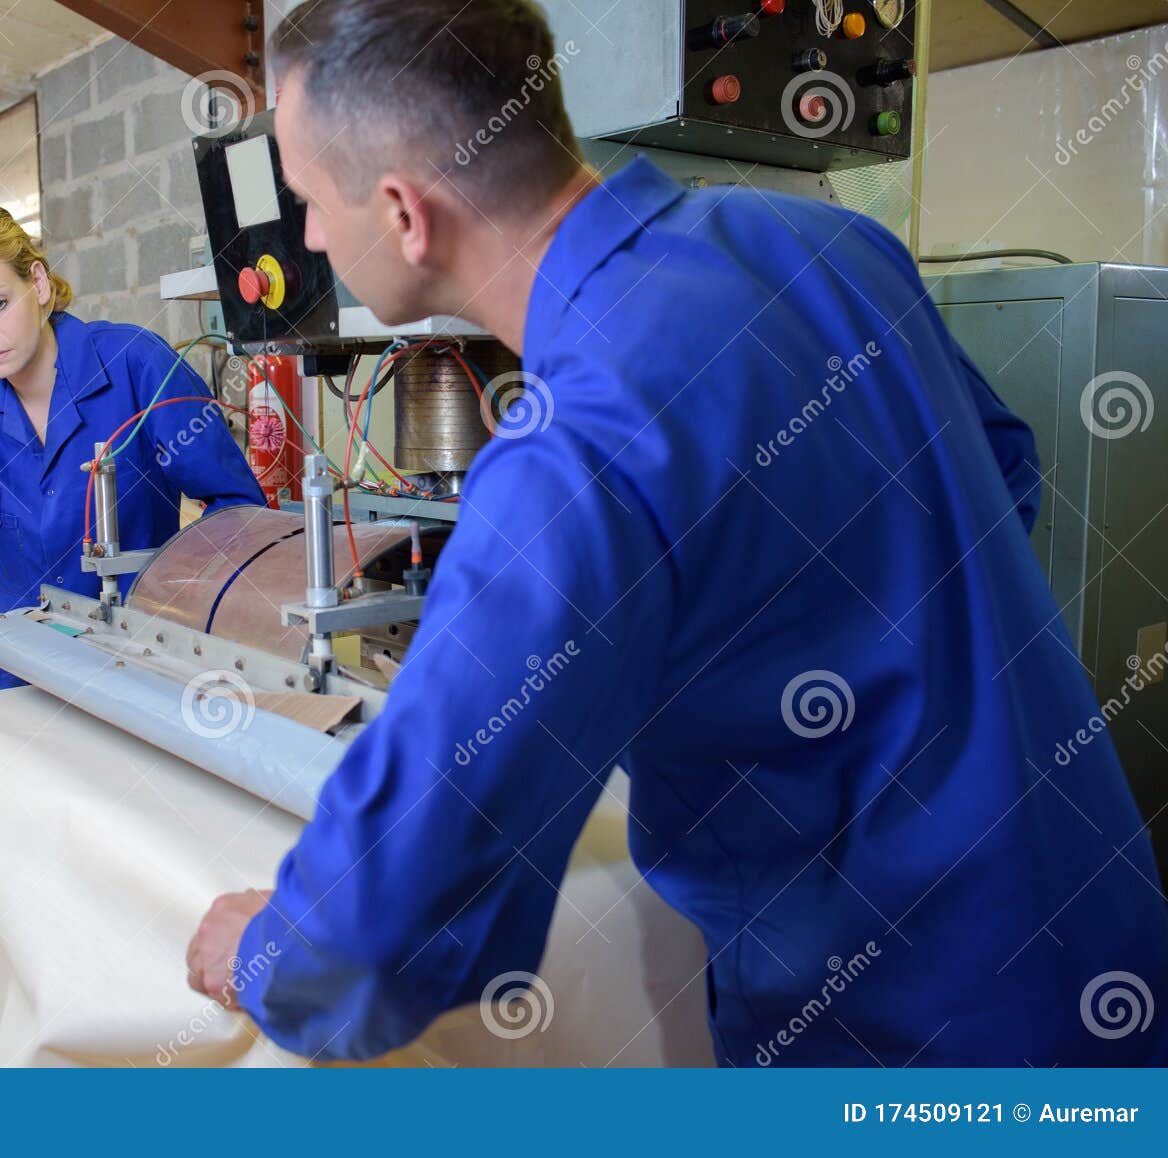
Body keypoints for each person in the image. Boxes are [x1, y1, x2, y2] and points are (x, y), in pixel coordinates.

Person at [185, 0, 1168, 1066]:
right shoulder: (831, 247)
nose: (313, 237)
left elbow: (397, 909)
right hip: (1102, 932)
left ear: (402, 214)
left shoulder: (574, 448)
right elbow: (1004, 472)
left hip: (900, 1030)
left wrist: (269, 951)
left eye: (309, 202)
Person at [0, 206, 263, 773]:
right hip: (22, 684)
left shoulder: (135, 363)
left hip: (147, 676)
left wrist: (182, 615)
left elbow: (238, 513)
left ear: (37, 283)